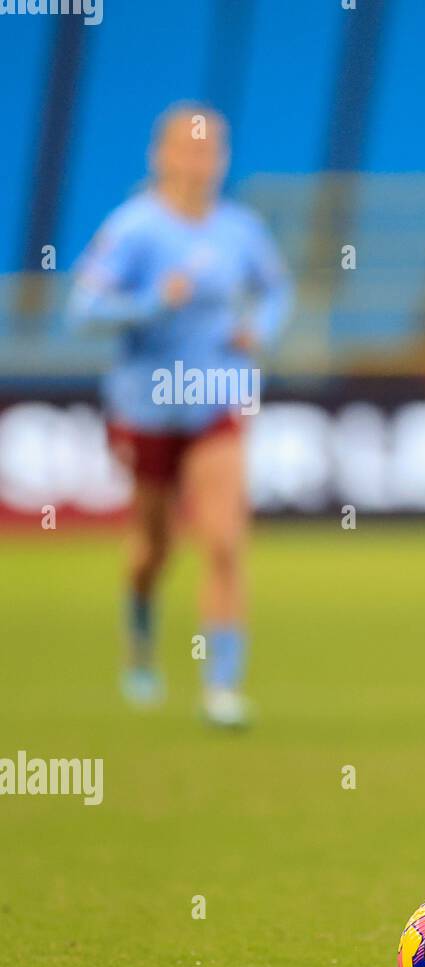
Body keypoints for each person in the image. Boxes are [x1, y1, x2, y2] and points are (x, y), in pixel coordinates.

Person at [68, 103, 292, 727]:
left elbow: (277, 290)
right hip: (146, 408)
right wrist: (149, 303)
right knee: (153, 547)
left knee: (223, 540)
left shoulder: (240, 229)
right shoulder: (135, 229)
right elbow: (83, 308)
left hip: (217, 400)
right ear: (162, 156)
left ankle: (222, 688)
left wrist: (260, 328)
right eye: (190, 150)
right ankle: (139, 633)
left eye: (212, 150)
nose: (202, 162)